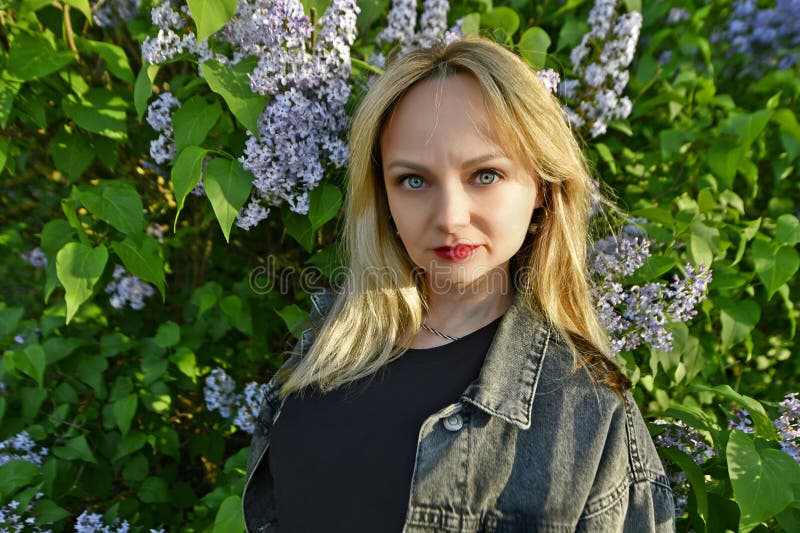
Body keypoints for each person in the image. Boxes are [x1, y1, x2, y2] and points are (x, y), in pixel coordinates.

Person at [243, 36, 676, 532]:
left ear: (542, 186)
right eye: (413, 180)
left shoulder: (587, 416)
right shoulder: (326, 348)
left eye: (485, 175)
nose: (450, 218)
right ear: (382, 195)